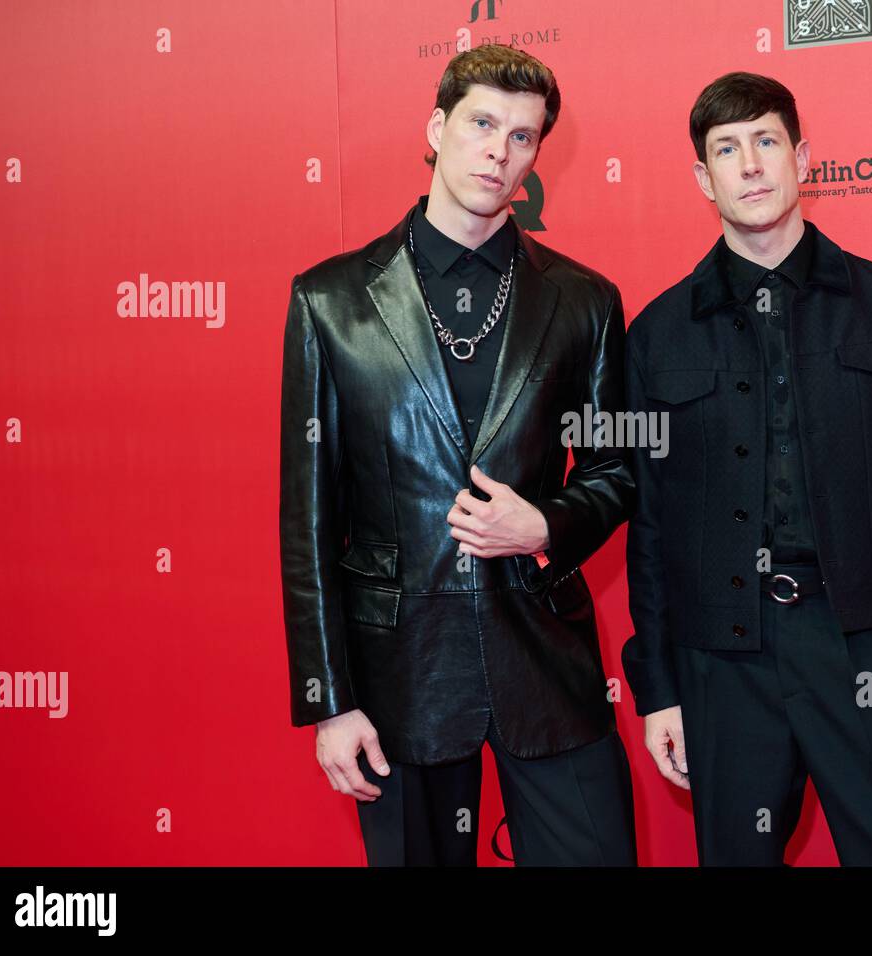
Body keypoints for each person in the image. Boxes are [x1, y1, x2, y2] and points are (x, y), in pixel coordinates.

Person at [279, 43, 636, 866]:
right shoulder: (329, 300)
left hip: (547, 663)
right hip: (400, 675)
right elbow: (308, 521)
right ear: (436, 129)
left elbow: (621, 472)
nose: (498, 151)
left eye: (522, 137)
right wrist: (329, 701)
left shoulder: (585, 299)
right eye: (481, 124)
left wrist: (543, 524)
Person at [621, 71, 872, 866]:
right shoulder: (659, 335)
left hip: (870, 645)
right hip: (724, 658)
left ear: (802, 157)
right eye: (727, 149)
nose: (749, 165)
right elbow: (650, 523)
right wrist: (663, 687)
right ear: (701, 179)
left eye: (766, 141)